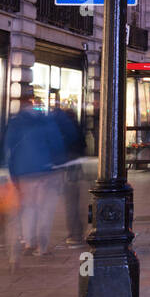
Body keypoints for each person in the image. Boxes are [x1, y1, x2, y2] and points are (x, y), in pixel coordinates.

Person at [0, 95, 65, 262]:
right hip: (46, 170)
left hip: (24, 171)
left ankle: (28, 242)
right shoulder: (46, 120)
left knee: (28, 207)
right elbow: (56, 143)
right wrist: (58, 164)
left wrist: (6, 170)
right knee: (44, 209)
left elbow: (7, 146)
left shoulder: (16, 122)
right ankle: (43, 246)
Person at [50, 105, 87, 246]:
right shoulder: (74, 124)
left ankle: (31, 240)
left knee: (70, 199)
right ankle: (76, 233)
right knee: (73, 199)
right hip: (74, 164)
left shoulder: (54, 124)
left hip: (60, 165)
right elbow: (82, 143)